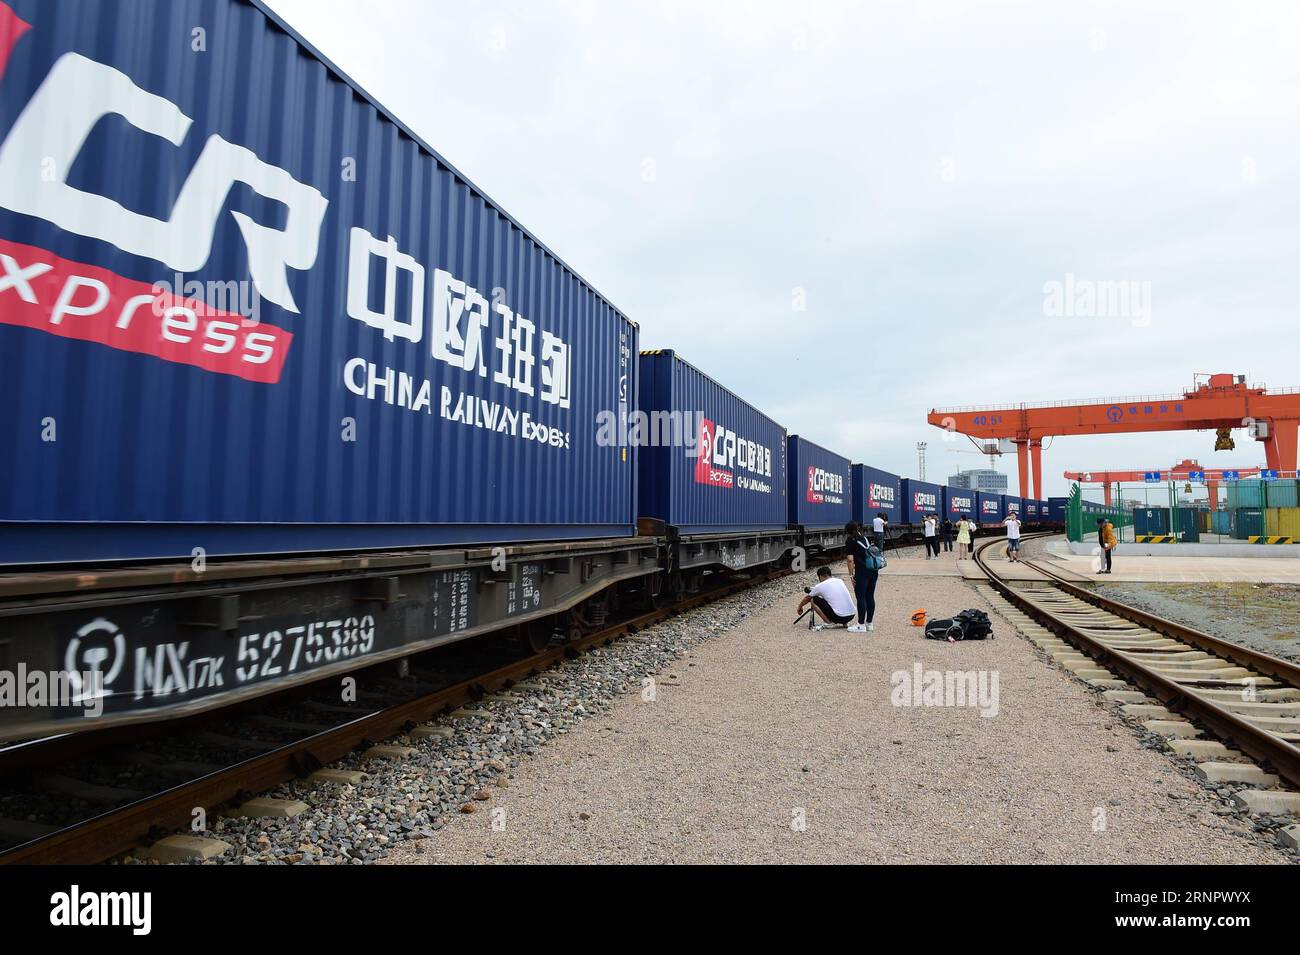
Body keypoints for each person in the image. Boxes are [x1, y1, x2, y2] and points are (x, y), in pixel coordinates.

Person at [843, 521, 881, 632]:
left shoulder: (850, 541)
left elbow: (850, 560)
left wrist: (851, 575)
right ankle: (869, 623)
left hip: (862, 572)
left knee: (861, 597)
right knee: (870, 596)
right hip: (873, 571)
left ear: (848, 531)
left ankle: (861, 625)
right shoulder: (864, 539)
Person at [796, 566, 857, 630]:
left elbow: (807, 598)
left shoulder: (820, 586)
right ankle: (845, 623)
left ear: (820, 576)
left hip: (839, 617)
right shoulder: (839, 581)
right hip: (851, 615)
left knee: (813, 599)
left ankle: (829, 623)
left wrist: (800, 607)